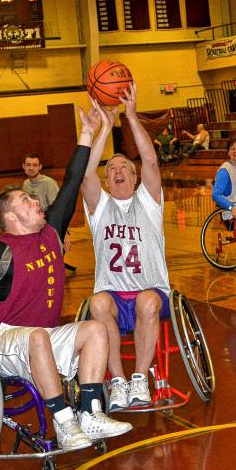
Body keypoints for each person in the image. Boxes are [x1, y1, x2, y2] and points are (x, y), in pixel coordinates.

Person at [0, 104, 132, 450]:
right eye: (25, 199)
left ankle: (90, 412)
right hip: (2, 342)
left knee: (95, 329)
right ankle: (64, 423)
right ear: (10, 216)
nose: (34, 200)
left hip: (43, 337)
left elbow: (73, 180)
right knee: (36, 336)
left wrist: (88, 131)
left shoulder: (51, 232)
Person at [81, 83, 171, 412]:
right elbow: (86, 172)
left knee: (147, 301)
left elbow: (150, 159)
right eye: (112, 170)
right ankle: (118, 380)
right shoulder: (100, 207)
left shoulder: (148, 203)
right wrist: (103, 127)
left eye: (124, 168)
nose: (117, 171)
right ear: (107, 181)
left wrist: (130, 116)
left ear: (134, 178)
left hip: (151, 292)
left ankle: (139, 377)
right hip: (115, 298)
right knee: (98, 303)